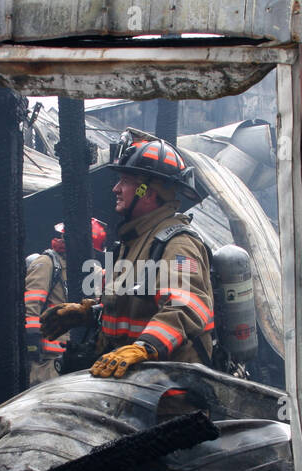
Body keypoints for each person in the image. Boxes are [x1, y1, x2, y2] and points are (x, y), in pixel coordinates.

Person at [42, 139, 214, 378]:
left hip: (170, 394)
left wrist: (144, 347)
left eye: (125, 181)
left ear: (147, 192)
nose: (116, 189)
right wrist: (89, 313)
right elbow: (132, 308)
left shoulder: (178, 244)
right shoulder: (131, 242)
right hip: (134, 387)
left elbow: (186, 306)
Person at [24, 218, 107, 385]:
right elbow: (31, 305)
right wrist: (33, 345)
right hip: (49, 360)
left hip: (82, 359)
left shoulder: (94, 272)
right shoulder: (47, 263)